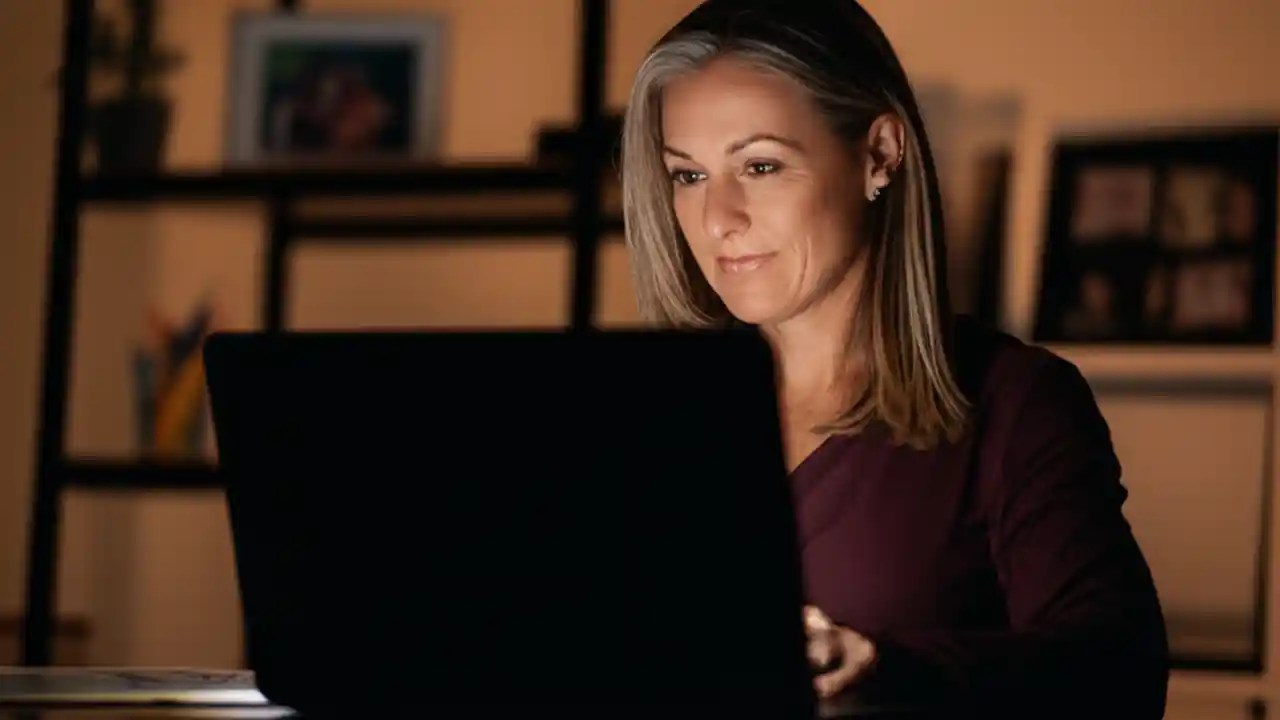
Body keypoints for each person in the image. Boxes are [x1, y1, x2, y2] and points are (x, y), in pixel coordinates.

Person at [619, 0, 1169, 716]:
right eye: (688, 176)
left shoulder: (1013, 403)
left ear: (878, 154)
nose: (718, 218)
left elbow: (1116, 670)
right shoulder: (648, 418)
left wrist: (888, 672)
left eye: (760, 165)